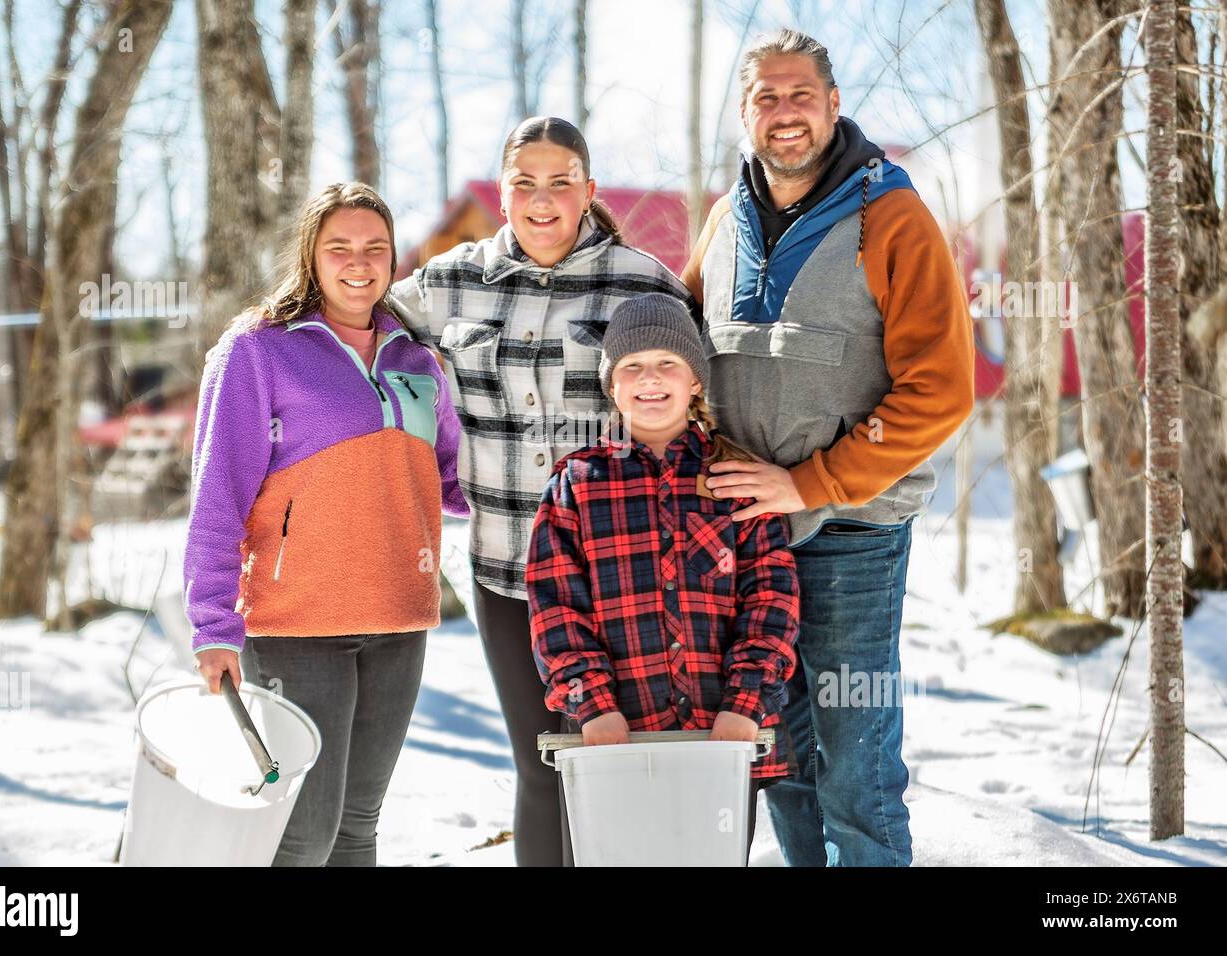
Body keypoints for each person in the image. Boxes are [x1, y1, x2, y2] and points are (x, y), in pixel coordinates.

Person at [680, 29, 975, 867]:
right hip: (747, 534)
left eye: (800, 94)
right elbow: (677, 346)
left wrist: (812, 483)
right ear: (744, 113)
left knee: (855, 761)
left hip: (852, 529)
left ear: (834, 103)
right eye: (765, 97)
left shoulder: (893, 216)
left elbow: (941, 388)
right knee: (781, 757)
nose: (784, 113)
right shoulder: (723, 218)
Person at [388, 117, 694, 866]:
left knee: (625, 762)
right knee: (542, 764)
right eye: (525, 181)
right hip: (506, 575)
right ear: (503, 193)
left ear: (589, 190)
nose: (543, 198)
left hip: (623, 580)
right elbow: (355, 325)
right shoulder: (449, 282)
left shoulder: (642, 281)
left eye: (562, 181)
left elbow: (694, 406)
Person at [184, 181, 468, 866]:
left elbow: (456, 481)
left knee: (357, 826)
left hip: (399, 618)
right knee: (302, 832)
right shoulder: (258, 350)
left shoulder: (415, 358)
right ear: (311, 255)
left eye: (375, 247)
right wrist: (213, 626)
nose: (359, 262)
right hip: (296, 624)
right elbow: (217, 493)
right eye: (339, 247)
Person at [526, 293, 800, 865]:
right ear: (612, 385)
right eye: (632, 367)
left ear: (696, 380)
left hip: (722, 731)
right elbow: (555, 607)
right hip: (619, 734)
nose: (650, 380)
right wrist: (591, 703)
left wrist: (745, 703)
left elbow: (771, 598)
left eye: (667, 363)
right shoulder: (577, 483)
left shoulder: (737, 478)